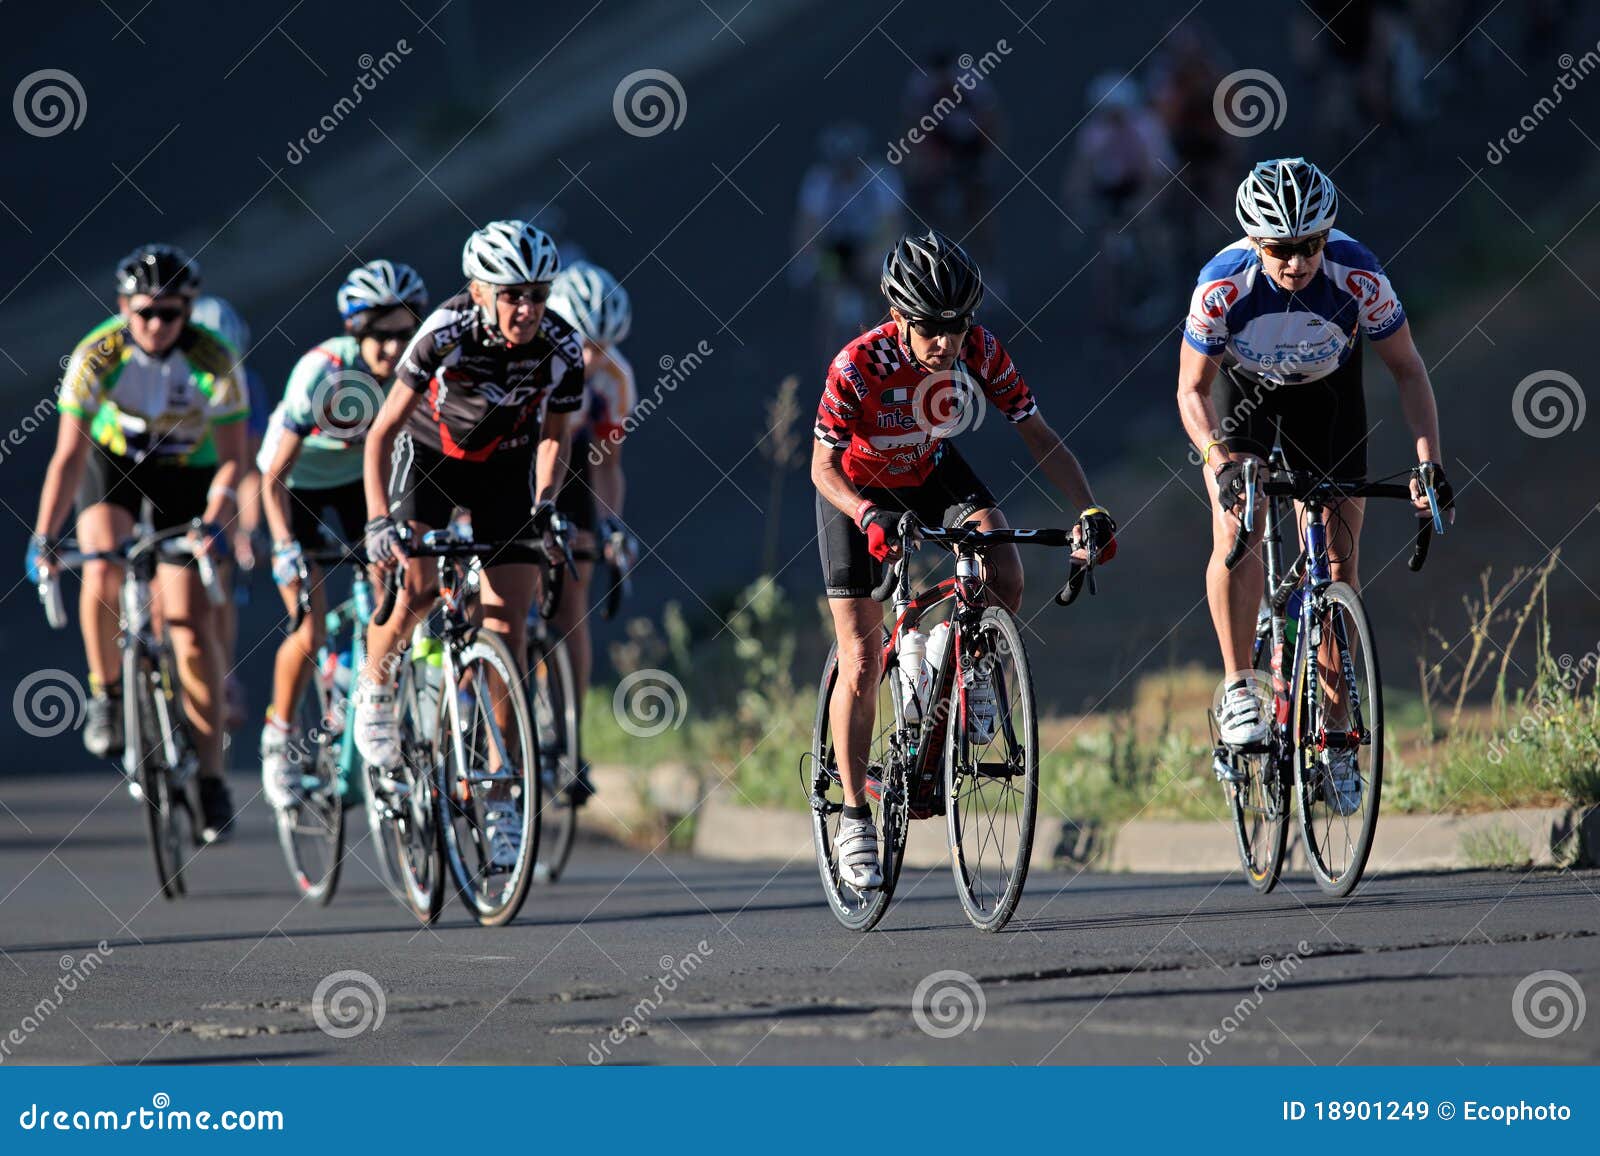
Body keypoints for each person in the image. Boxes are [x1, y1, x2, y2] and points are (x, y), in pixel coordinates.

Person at [811, 229, 1116, 889]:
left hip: (931, 471)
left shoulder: (978, 350)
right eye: (929, 327)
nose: (945, 341)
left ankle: (964, 657)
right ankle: (855, 818)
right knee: (862, 658)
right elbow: (821, 467)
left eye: (956, 323)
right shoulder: (856, 366)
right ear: (898, 317)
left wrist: (1088, 509)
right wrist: (866, 515)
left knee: (1003, 567)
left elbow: (1038, 435)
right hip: (856, 492)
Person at [1175, 157, 1452, 814]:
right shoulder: (1221, 283)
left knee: (1335, 565)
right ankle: (1240, 685)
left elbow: (1409, 372)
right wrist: (1219, 462)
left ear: (1327, 237)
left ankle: (1335, 736)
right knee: (1238, 530)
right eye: (1280, 248)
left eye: (1309, 245)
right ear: (1255, 242)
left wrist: (1427, 463)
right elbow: (1192, 389)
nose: (1297, 261)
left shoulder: (1358, 272)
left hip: (1329, 402)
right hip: (1245, 403)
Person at [355, 220, 584, 868]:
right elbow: (380, 433)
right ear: (479, 291)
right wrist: (377, 520)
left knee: (507, 630)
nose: (527, 309)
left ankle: (498, 795)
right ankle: (376, 686)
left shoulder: (562, 345)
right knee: (419, 590)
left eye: (537, 295)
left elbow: (555, 434)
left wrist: (544, 505)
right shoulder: (442, 333)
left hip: (506, 468)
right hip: (427, 459)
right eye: (512, 295)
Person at [28, 244, 247, 842]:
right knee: (99, 567)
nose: (156, 325)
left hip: (188, 472)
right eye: (144, 312)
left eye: (171, 313)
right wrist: (45, 536)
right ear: (124, 308)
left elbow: (235, 464)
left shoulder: (215, 359)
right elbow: (69, 457)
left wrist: (214, 519)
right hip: (114, 464)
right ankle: (106, 695)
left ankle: (210, 776)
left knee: (190, 629)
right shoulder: (96, 357)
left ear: (188, 311)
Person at [256, 259, 428, 808]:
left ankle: (373, 709)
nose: (393, 346)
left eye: (404, 333)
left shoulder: (419, 369)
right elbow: (273, 476)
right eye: (380, 333)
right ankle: (279, 739)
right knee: (308, 628)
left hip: (361, 484)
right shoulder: (323, 372)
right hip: (299, 484)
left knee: (390, 597)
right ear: (356, 330)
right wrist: (285, 546)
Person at [546, 259, 637, 803]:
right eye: (580, 343)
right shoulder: (527, 362)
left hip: (575, 461)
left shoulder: (615, 378)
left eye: (601, 347)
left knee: (572, 598)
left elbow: (605, 464)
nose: (588, 358)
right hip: (516, 458)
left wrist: (609, 527)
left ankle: (569, 741)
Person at [190, 294, 267, 735]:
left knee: (216, 569)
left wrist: (247, 533)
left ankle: (224, 673)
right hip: (164, 474)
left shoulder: (245, 386)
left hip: (218, 478)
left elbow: (251, 467)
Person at [792, 123, 904, 360]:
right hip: (835, 251)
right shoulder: (819, 181)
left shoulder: (881, 178)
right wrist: (809, 260)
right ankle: (829, 369)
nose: (846, 170)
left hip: (870, 248)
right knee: (829, 303)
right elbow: (807, 228)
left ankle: (894, 354)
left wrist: (881, 258)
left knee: (884, 297)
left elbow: (893, 227)